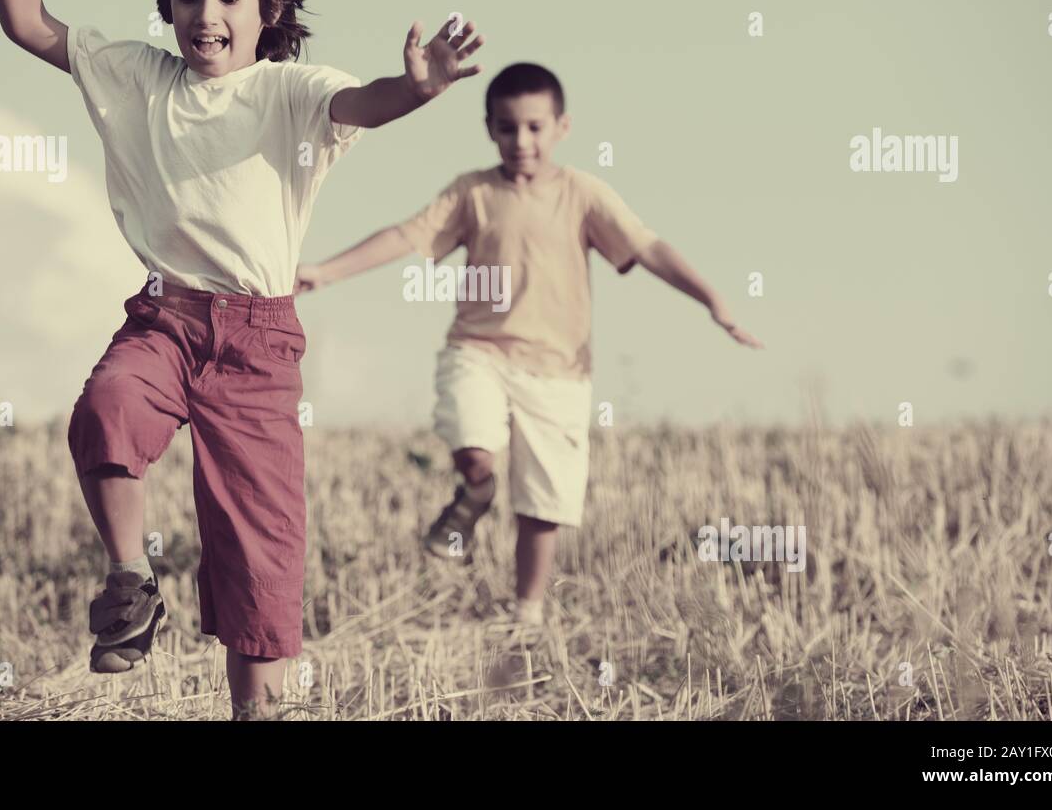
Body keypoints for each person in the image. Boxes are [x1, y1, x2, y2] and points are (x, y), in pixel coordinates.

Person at [0, 0, 484, 718]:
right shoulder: (137, 78)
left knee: (260, 571)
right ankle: (129, 580)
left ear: (270, 9)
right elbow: (33, 27)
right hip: (166, 315)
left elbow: (368, 103)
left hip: (259, 344)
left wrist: (419, 88)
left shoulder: (293, 93)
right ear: (166, 6)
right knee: (108, 407)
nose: (206, 12)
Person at [296, 62, 762, 628]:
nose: (523, 141)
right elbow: (406, 236)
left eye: (536, 127)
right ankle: (476, 490)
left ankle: (527, 613)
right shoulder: (473, 192)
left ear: (562, 127)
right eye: (509, 127)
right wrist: (327, 271)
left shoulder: (584, 195)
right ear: (490, 128)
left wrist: (711, 298)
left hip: (560, 371)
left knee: (544, 503)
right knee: (473, 444)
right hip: (479, 352)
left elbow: (648, 247)